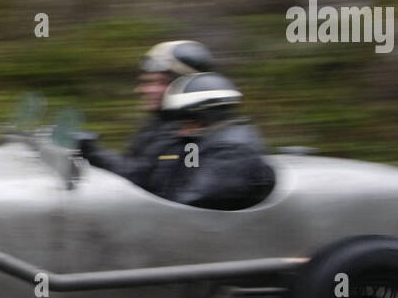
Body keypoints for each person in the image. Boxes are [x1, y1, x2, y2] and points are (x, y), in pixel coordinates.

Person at [131, 73, 275, 210]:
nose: (178, 127)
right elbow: (181, 178)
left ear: (204, 116)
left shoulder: (231, 151)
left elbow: (191, 201)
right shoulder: (195, 142)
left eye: (185, 120)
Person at [80, 39, 215, 182]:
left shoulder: (189, 131)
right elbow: (132, 164)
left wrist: (91, 150)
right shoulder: (161, 121)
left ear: (189, 85)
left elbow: (142, 180)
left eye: (159, 83)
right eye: (146, 82)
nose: (143, 90)